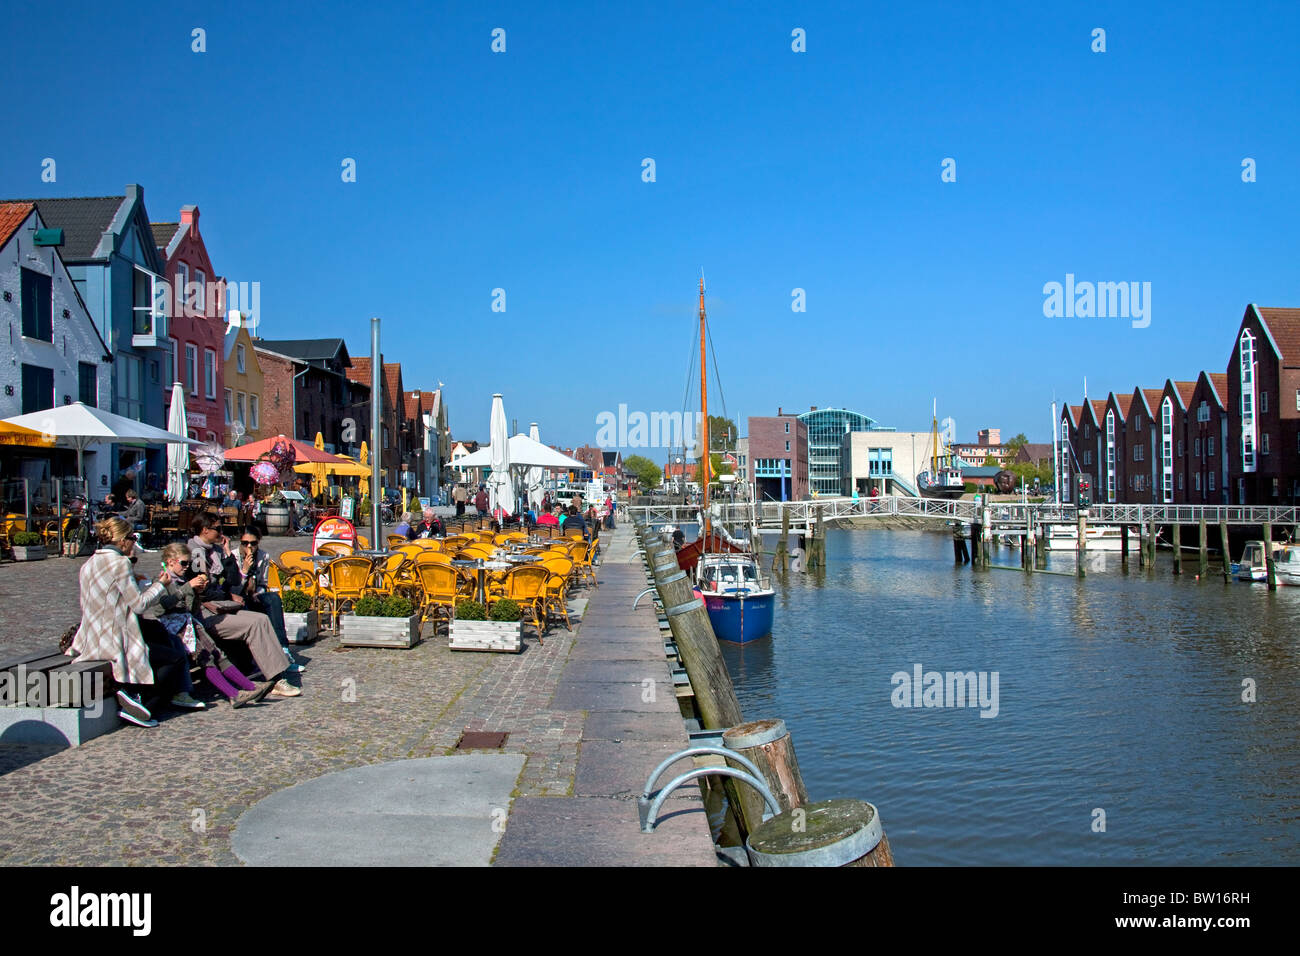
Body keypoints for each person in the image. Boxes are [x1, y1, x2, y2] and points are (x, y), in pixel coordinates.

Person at [67, 517, 187, 728]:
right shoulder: (119, 563)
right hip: (113, 639)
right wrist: (160, 585)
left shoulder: (88, 563)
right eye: (133, 537)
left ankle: (138, 695)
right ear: (123, 541)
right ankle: (141, 702)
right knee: (174, 658)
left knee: (158, 633)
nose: (134, 542)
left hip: (91, 635)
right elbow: (139, 605)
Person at [146, 544, 275, 707]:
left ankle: (250, 687)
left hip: (190, 624)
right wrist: (187, 588)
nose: (186, 568)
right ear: (171, 562)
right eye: (184, 563)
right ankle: (233, 694)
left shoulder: (181, 580)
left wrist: (196, 592)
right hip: (176, 630)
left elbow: (190, 608)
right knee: (205, 658)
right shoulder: (161, 581)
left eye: (188, 563)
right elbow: (160, 609)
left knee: (217, 653)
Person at [187, 514, 300, 697]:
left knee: (262, 618)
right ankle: (274, 679)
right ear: (205, 530)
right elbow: (204, 590)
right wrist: (228, 594)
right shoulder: (196, 553)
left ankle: (277, 675)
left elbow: (231, 580)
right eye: (218, 528)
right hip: (207, 613)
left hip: (223, 606)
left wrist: (227, 554)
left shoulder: (215, 550)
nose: (222, 532)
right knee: (254, 623)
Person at [232, 528, 306, 673]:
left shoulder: (263, 556)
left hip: (254, 594)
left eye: (253, 543)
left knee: (273, 599)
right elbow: (233, 588)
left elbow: (263, 583)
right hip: (238, 596)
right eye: (245, 543)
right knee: (247, 606)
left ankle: (283, 650)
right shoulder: (233, 557)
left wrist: (257, 593)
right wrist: (244, 571)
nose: (249, 547)